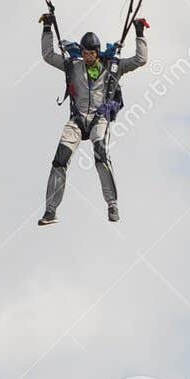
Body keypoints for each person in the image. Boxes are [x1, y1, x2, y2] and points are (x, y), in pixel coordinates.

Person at [36, 12, 148, 226]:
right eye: (85, 52)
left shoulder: (112, 67)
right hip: (77, 120)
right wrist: (48, 28)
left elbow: (140, 60)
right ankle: (50, 210)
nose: (87, 56)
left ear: (97, 53)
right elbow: (49, 55)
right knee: (60, 160)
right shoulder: (73, 66)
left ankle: (112, 204)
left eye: (91, 53)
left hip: (100, 118)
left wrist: (139, 33)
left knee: (100, 153)